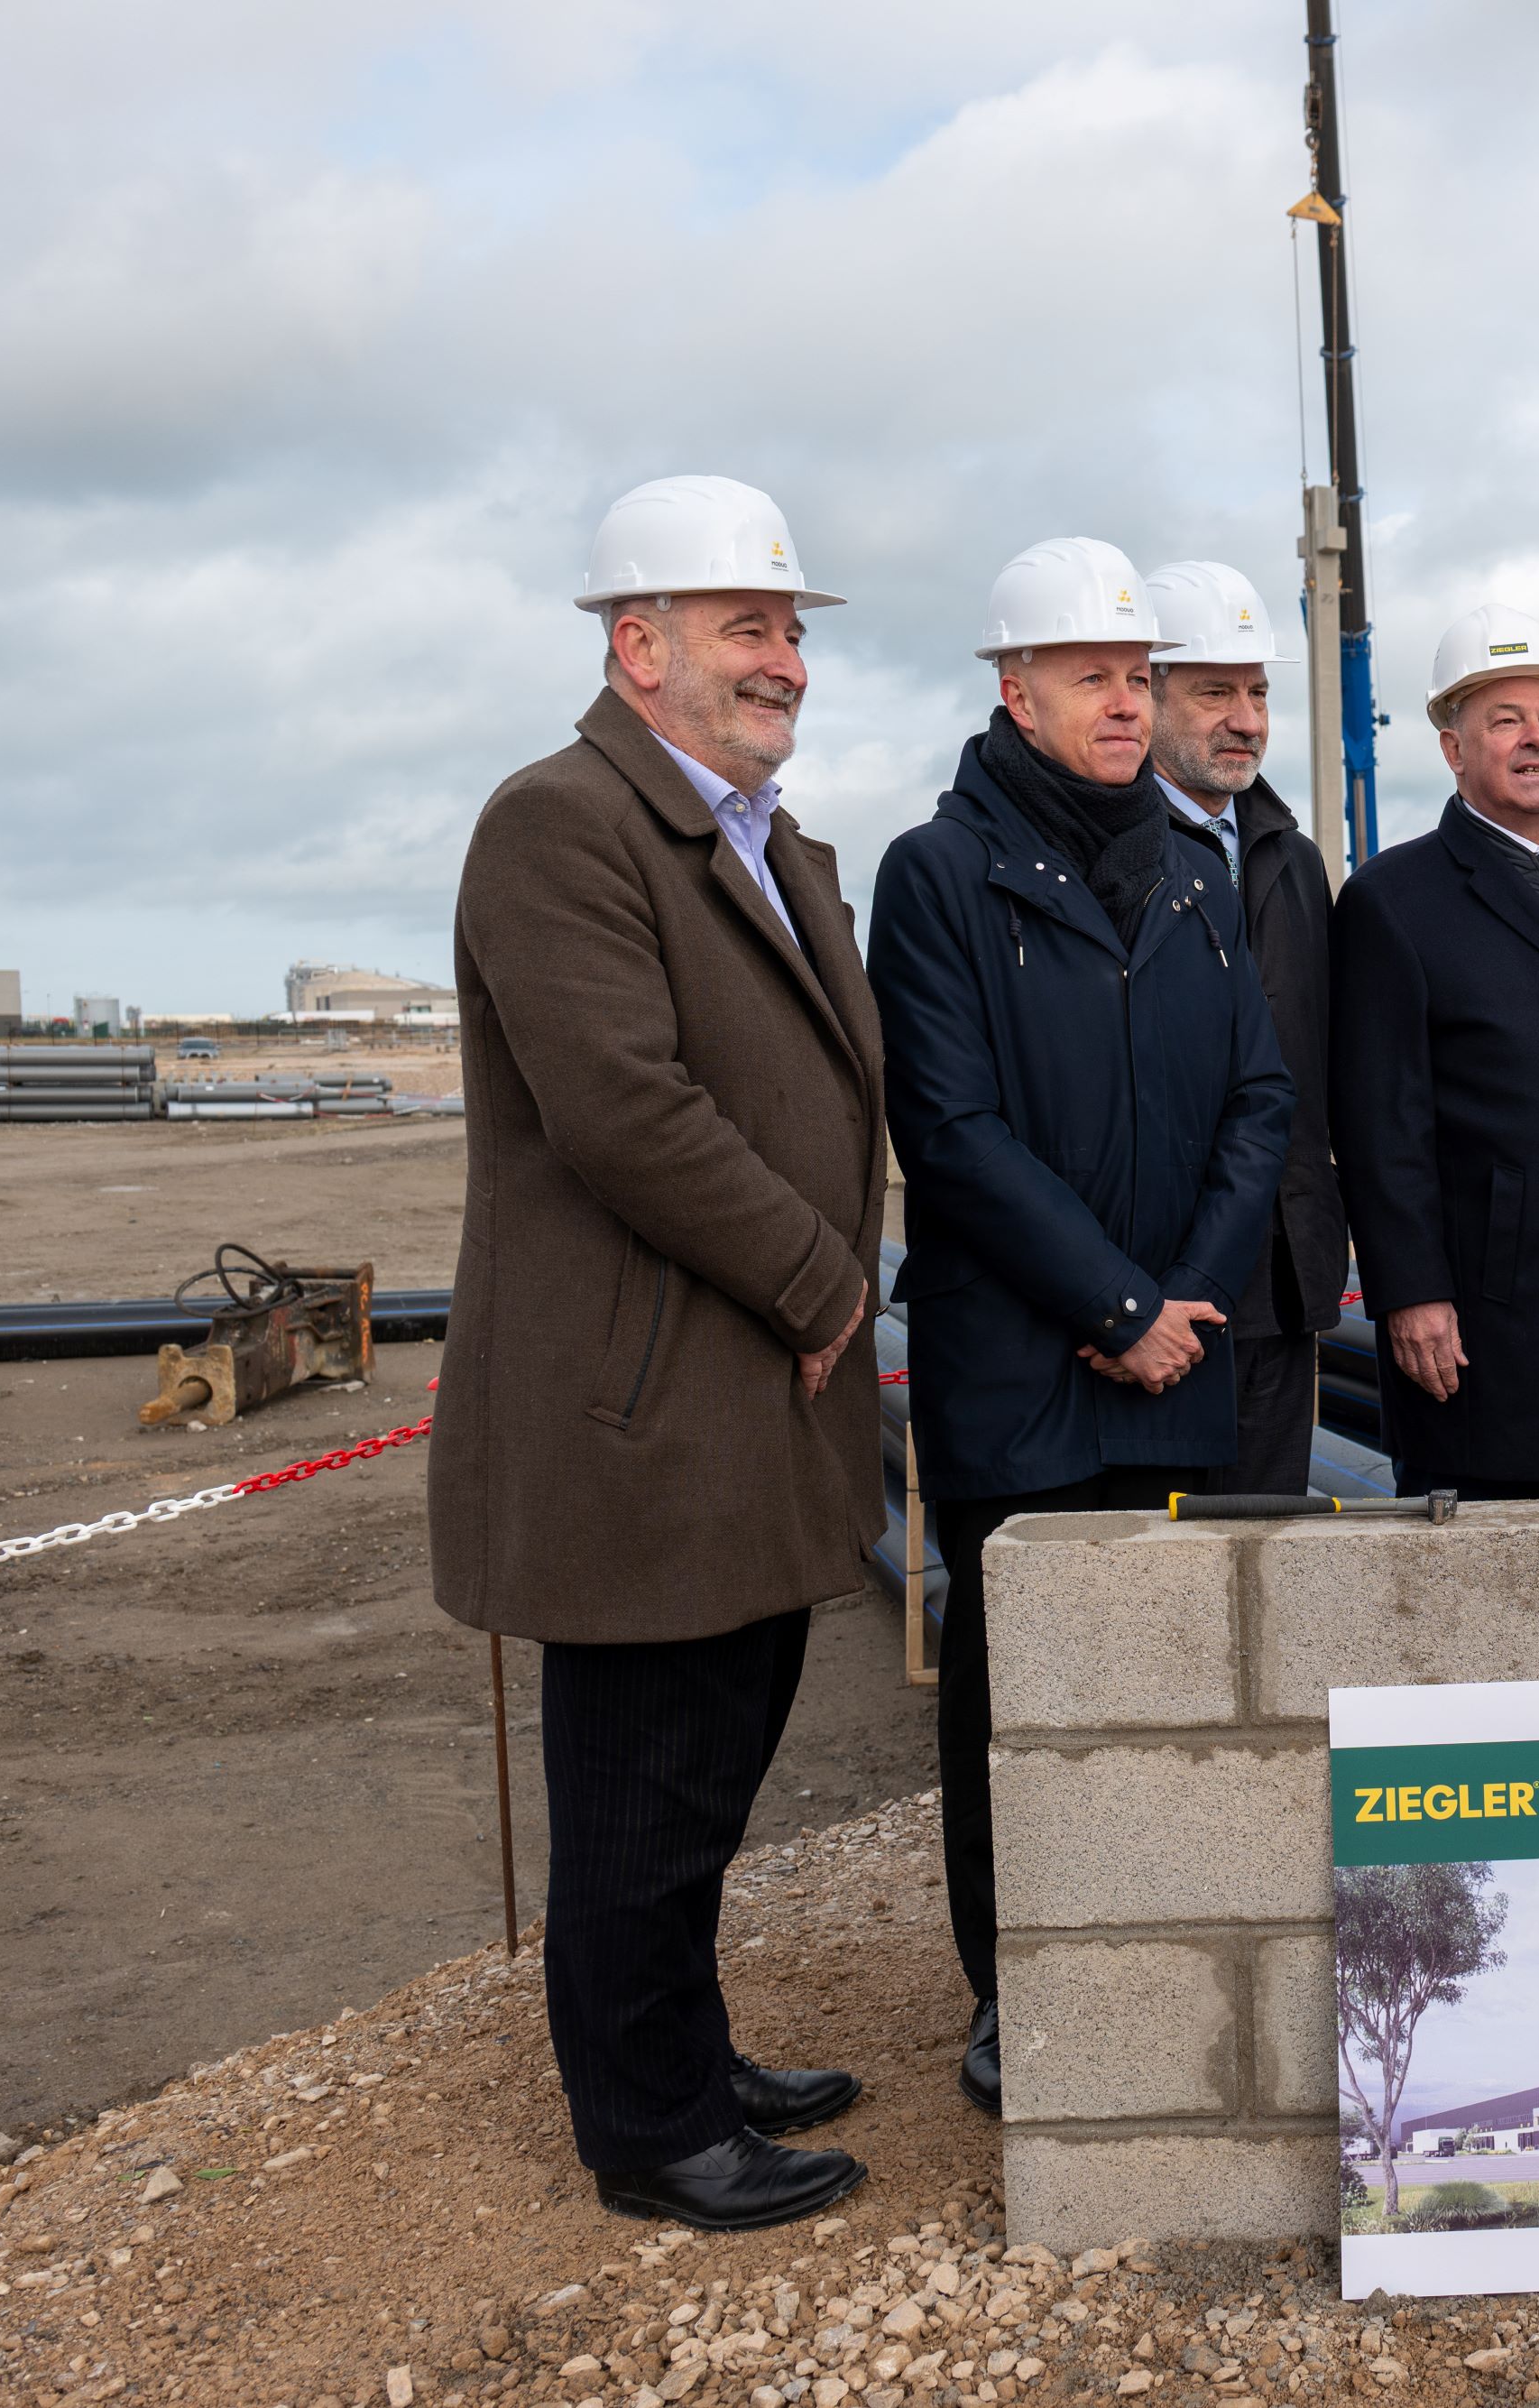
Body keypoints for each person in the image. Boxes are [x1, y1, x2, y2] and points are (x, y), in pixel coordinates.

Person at [436, 475, 880, 2230]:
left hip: (742, 1389)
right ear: (639, 647)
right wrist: (825, 1280)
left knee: (709, 1767)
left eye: (789, 629)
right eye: (745, 626)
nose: (785, 659)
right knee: (638, 1786)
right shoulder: (558, 824)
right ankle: (651, 2126)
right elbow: (625, 1108)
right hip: (643, 1406)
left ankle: (689, 2053)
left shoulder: (767, 838)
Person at [868, 536, 1291, 2112]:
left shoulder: (1193, 873)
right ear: (1015, 690)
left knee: (1164, 1685)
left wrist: (1182, 1304)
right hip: (1024, 1370)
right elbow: (952, 1127)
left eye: (1135, 674)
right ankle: (1016, 1988)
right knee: (1015, 1702)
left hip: (1175, 1363)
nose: (1123, 701)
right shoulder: (939, 874)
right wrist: (1115, 1304)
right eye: (1090, 676)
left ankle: (1153, 1960)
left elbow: (1258, 1100)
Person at [1331, 604, 1539, 1497]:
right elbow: (1380, 1124)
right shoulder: (1394, 900)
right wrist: (1411, 1291)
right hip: (1488, 1328)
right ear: (1452, 748)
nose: (1536, 740)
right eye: (1506, 721)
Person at [1143, 559, 1349, 1499]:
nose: (1246, 719)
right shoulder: (1111, 856)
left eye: (1257, 692)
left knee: (1271, 1551)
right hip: (1162, 1291)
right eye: (1214, 692)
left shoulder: (1292, 860)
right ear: (1146, 695)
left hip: (1284, 1283)